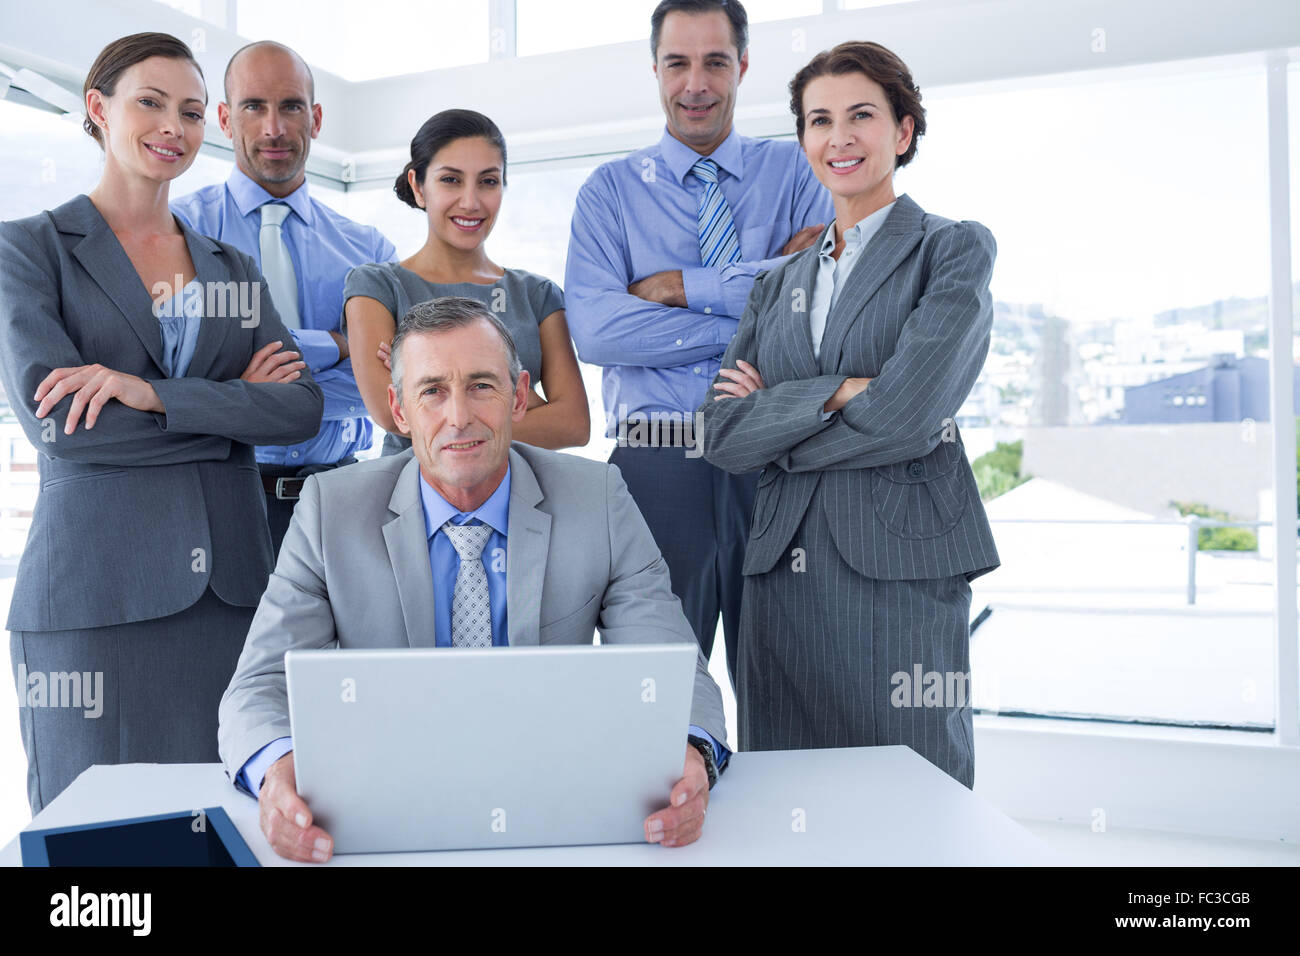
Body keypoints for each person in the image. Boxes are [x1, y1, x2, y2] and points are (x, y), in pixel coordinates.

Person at [219, 297, 728, 861]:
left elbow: (675, 666)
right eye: (433, 390)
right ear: (399, 408)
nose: (459, 416)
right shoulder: (329, 510)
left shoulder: (599, 499)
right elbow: (257, 686)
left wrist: (688, 753)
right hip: (386, 818)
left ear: (518, 395)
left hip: (556, 809)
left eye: (482, 385)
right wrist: (279, 773)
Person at [0, 33, 323, 813]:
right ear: (98, 107)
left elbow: (299, 407)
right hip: (94, 599)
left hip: (229, 602)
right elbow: (66, 428)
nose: (171, 125)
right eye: (150, 101)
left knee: (223, 825)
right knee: (96, 839)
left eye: (187, 109)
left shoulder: (230, 269)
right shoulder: (29, 250)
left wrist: (150, 394)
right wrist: (229, 407)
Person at [697, 41, 1001, 788]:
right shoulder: (777, 285)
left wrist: (781, 413)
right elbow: (724, 436)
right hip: (780, 567)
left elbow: (909, 411)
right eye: (818, 120)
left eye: (861, 115)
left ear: (902, 131)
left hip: (897, 565)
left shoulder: (950, 250)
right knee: (789, 793)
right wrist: (838, 392)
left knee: (914, 787)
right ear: (803, 139)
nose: (839, 138)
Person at [564, 0, 832, 689]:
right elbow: (595, 331)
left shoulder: (799, 171)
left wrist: (683, 285)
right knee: (652, 695)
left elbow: (826, 303)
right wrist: (762, 310)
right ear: (654, 69)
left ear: (742, 66)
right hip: (656, 463)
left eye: (715, 62)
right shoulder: (610, 194)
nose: (696, 84)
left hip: (779, 460)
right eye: (678, 63)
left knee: (788, 687)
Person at [171, 40, 397, 555]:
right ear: (225, 119)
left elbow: (386, 389)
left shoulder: (369, 251)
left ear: (314, 119)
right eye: (254, 106)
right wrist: (341, 347)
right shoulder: (178, 233)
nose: (273, 128)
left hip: (346, 501)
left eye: (290, 106)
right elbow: (184, 372)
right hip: (222, 499)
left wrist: (248, 386)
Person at [345, 109, 588, 456]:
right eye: (451, 180)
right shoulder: (375, 287)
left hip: (523, 493)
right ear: (418, 186)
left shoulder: (537, 294)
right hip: (408, 496)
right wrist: (516, 394)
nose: (471, 202)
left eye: (488, 181)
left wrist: (431, 380)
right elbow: (391, 414)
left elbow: (574, 425)